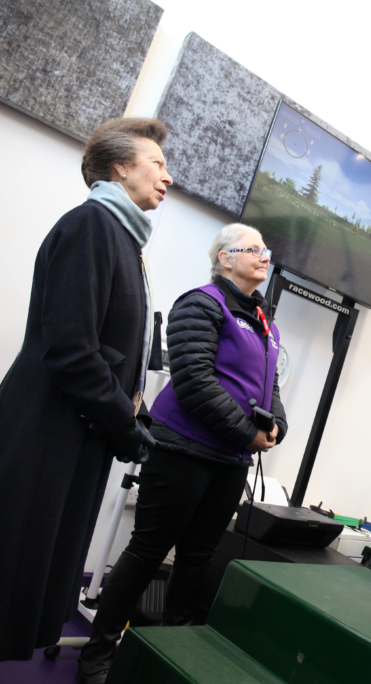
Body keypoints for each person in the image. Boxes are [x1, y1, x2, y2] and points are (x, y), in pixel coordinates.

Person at [76, 223, 288, 684]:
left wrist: (277, 426)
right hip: (182, 450)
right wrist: (247, 434)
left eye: (266, 251)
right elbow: (194, 380)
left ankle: (173, 658)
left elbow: (270, 386)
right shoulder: (200, 303)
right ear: (224, 258)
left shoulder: (265, 322)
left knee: (197, 560)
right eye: (253, 249)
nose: (264, 257)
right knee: (148, 551)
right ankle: (97, 656)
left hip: (230, 462)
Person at [0, 118, 171, 661]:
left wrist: (131, 416)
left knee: (31, 576)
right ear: (120, 167)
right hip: (47, 429)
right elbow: (73, 348)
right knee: (11, 573)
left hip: (76, 430)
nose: (167, 176)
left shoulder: (122, 238)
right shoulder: (93, 225)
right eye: (157, 163)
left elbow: (113, 351)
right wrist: (122, 420)